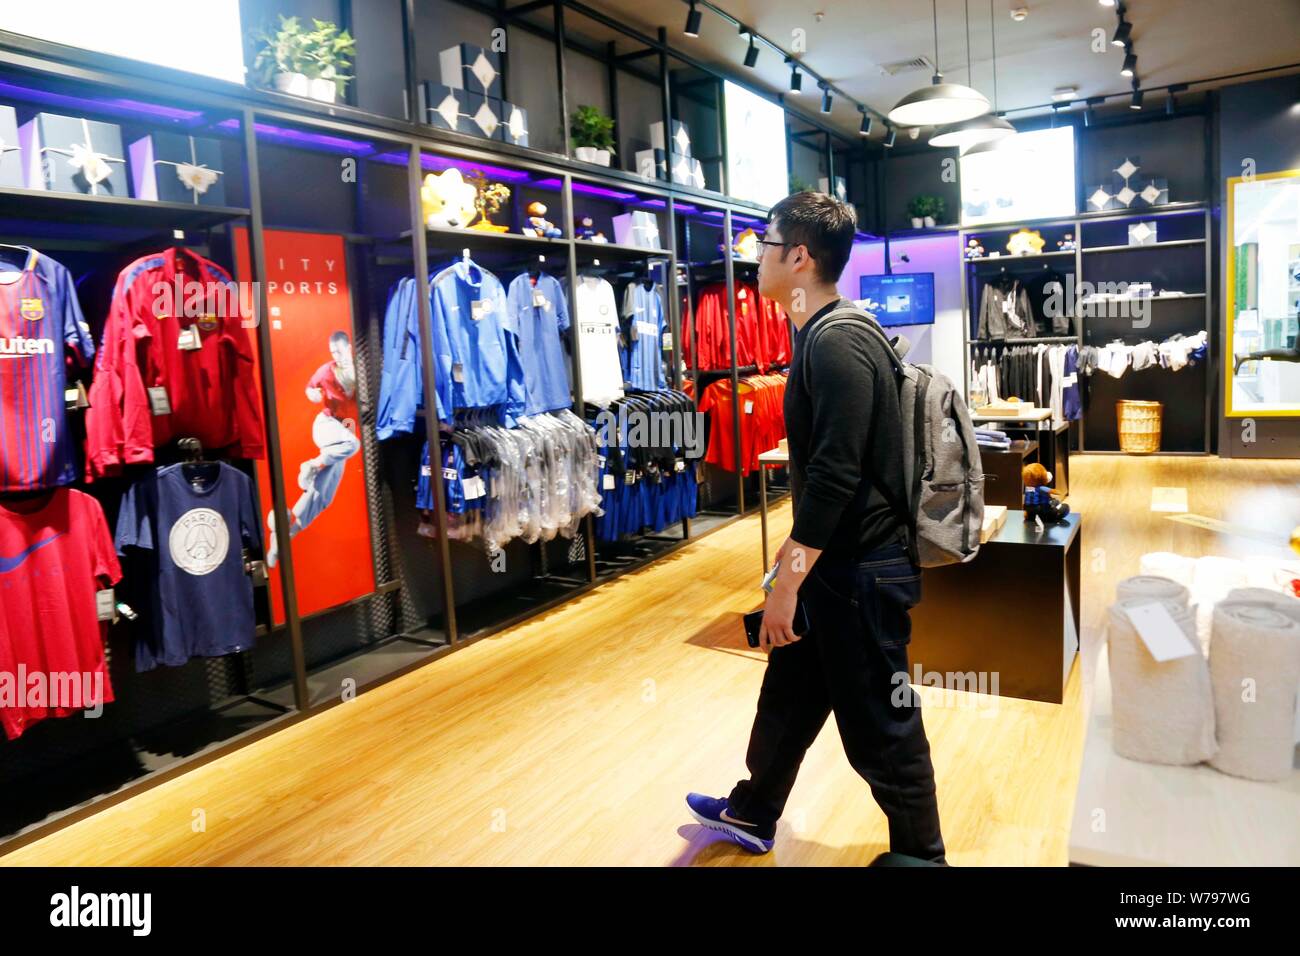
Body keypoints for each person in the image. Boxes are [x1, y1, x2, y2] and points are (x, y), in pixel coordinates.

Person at [685, 191, 946, 863]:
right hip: (837, 564)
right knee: (791, 694)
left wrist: (786, 581)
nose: (755, 259)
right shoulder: (826, 334)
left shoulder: (836, 342)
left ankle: (923, 856)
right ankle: (754, 811)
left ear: (798, 257)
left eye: (764, 245)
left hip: (860, 570)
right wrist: (795, 569)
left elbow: (836, 477)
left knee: (880, 722)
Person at [267, 331, 361, 567]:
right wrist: (312, 394)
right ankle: (310, 465)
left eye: (339, 350)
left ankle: (281, 537)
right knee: (353, 444)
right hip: (326, 426)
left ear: (348, 347)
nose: (336, 356)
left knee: (322, 498)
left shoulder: (360, 372)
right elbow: (309, 388)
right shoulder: (325, 371)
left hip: (342, 436)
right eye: (333, 352)